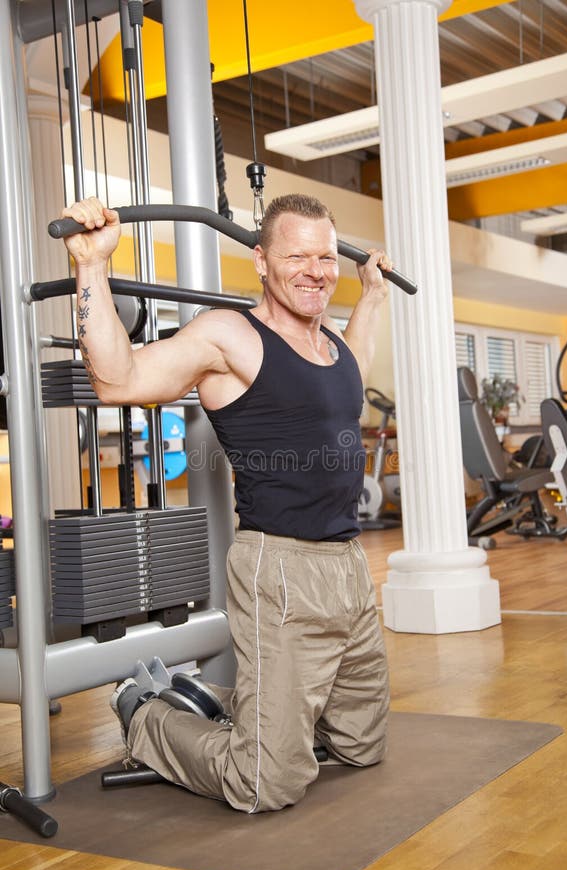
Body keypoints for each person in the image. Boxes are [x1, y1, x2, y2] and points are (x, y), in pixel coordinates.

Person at [61, 193, 391, 813]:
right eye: (298, 256)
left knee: (361, 746)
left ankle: (261, 712)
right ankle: (146, 716)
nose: (316, 270)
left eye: (326, 256)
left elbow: (356, 369)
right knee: (266, 782)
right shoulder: (228, 337)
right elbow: (116, 381)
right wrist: (92, 266)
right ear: (261, 261)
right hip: (282, 569)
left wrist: (372, 294)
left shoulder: (335, 349)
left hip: (349, 568)